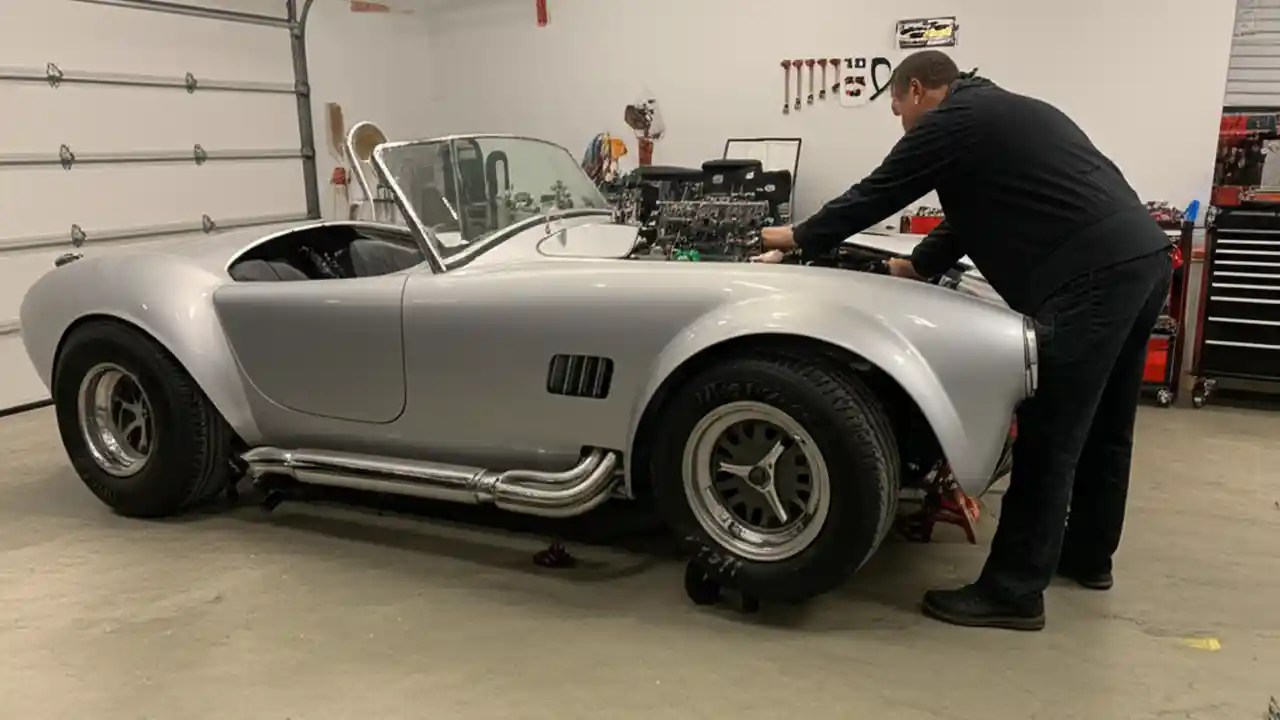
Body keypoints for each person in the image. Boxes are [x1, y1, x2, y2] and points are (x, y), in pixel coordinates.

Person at [758, 50, 1173, 631]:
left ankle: (1014, 591)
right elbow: (972, 214)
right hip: (1144, 260)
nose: (902, 122)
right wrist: (917, 266)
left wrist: (797, 235)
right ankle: (1086, 558)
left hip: (1094, 280)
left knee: (1049, 435)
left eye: (899, 109)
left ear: (921, 90)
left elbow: (881, 190)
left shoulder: (956, 120)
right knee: (1106, 428)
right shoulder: (999, 115)